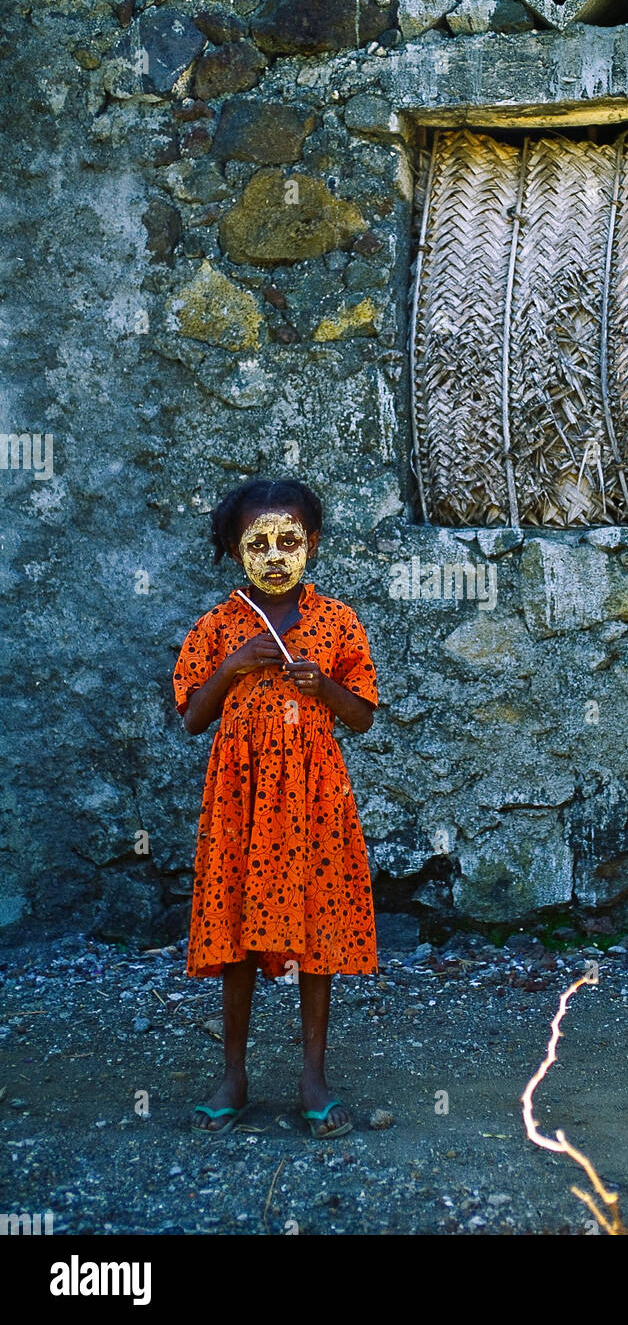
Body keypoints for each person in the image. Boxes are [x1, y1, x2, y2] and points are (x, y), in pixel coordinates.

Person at [173, 477, 378, 1139]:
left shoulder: (336, 621)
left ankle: (312, 1079)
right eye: (256, 544)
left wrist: (323, 688)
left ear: (311, 545)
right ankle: (233, 1077)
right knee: (234, 927)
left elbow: (364, 717)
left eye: (288, 541)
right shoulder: (217, 627)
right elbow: (192, 719)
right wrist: (232, 665)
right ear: (236, 552)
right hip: (241, 796)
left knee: (317, 926)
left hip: (314, 797)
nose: (273, 556)